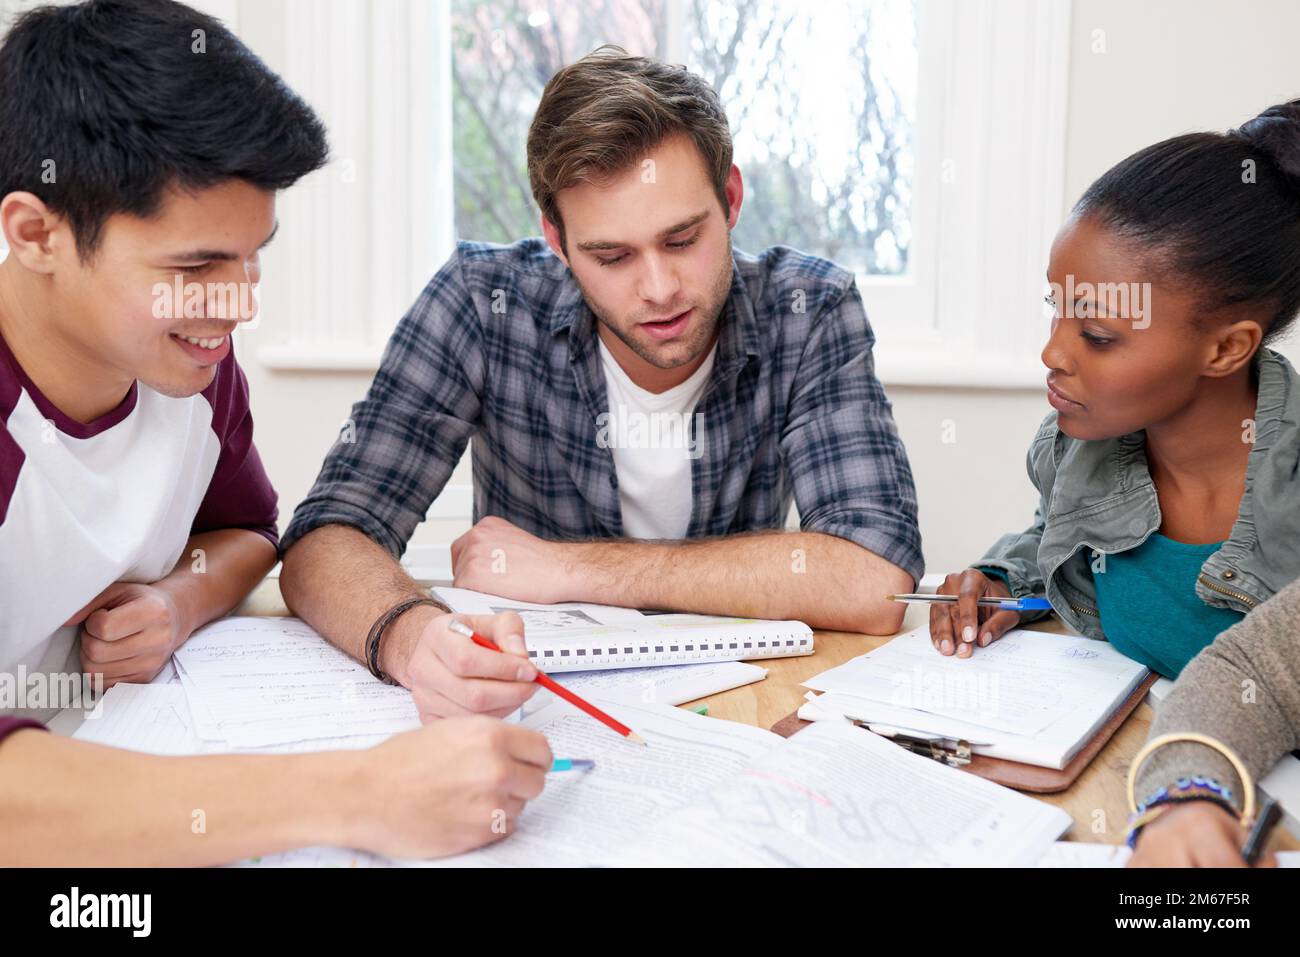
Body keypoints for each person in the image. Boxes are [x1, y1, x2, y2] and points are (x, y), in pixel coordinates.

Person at [0, 0, 548, 865]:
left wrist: (178, 599)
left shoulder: (192, 373)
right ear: (37, 234)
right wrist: (361, 794)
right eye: (195, 267)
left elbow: (250, 532)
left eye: (253, 256)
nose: (239, 305)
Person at [279, 46, 924, 721]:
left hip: (736, 703)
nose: (659, 288)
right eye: (610, 256)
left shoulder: (808, 309)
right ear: (557, 241)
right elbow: (324, 539)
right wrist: (412, 639)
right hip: (536, 706)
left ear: (730, 199)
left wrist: (569, 568)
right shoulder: (482, 303)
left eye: (682, 239)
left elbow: (873, 576)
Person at [926, 100, 1300, 677]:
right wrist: (1003, 579)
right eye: (1057, 309)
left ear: (1227, 349)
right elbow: (1054, 534)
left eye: (1097, 333)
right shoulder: (1075, 446)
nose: (1052, 353)